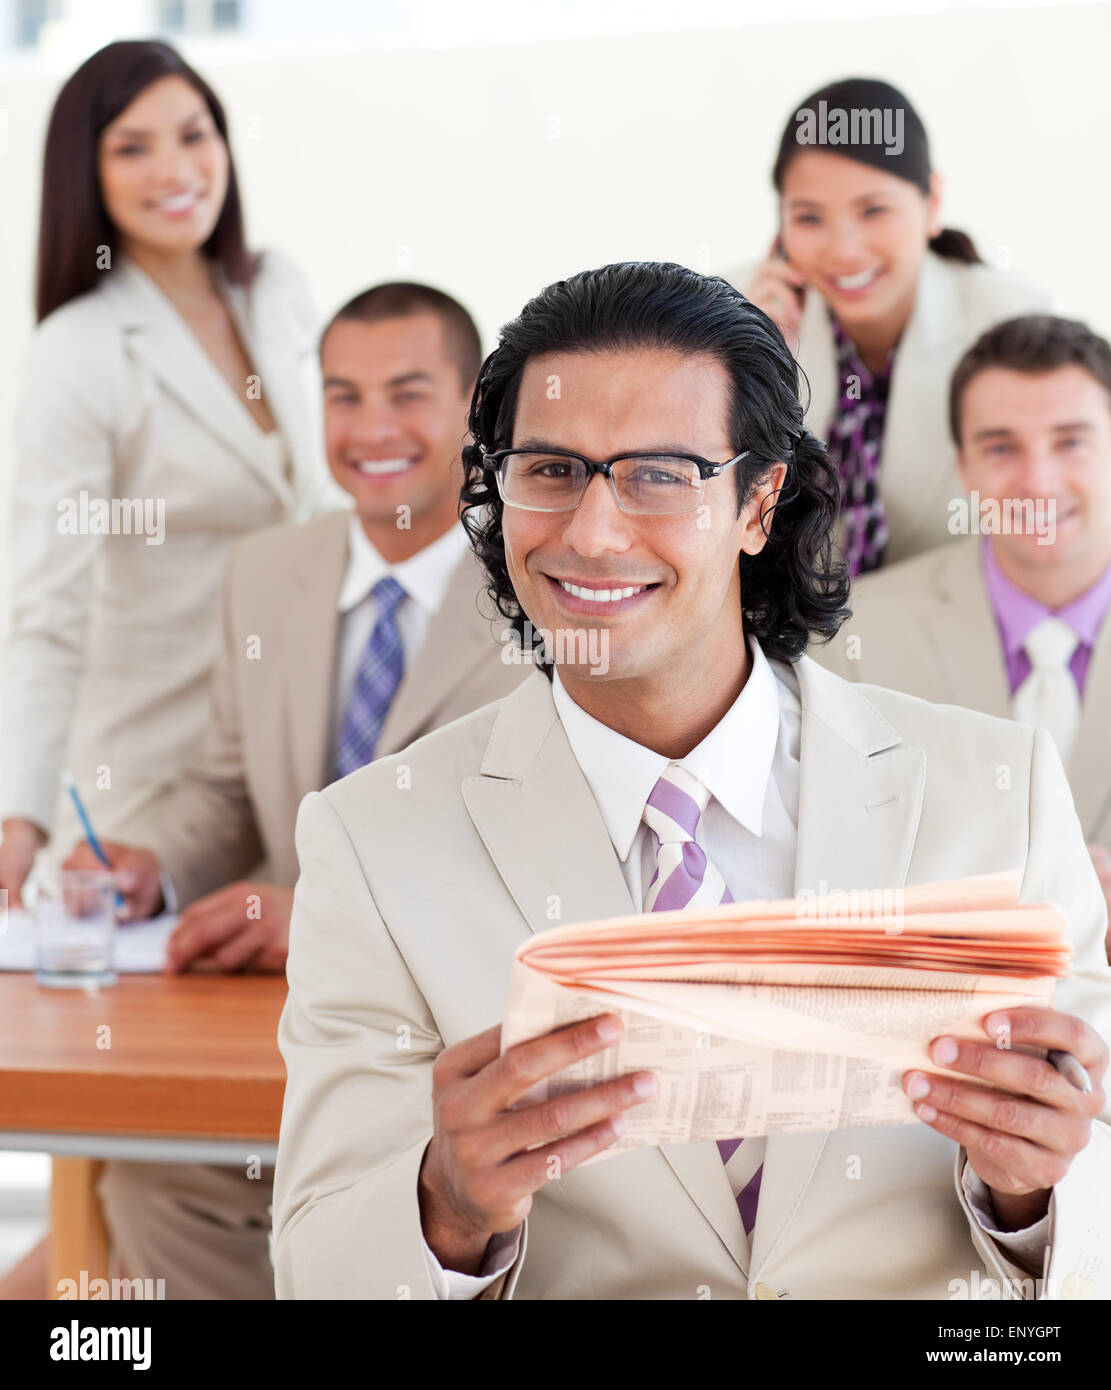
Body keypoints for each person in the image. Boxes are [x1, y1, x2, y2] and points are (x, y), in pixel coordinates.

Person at [271, 263, 1111, 1300]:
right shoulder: (371, 840)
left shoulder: (998, 792)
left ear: (759, 502)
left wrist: (1032, 1195)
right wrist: (446, 1206)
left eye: (660, 474)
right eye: (549, 470)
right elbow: (315, 1265)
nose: (591, 532)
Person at [38, 284, 529, 1301]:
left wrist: (321, 914)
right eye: (342, 397)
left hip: (452, 1030)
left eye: (406, 393)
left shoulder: (540, 582)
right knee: (157, 1185)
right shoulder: (269, 572)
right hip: (273, 1019)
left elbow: (535, 846)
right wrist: (154, 860)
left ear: (478, 404)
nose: (372, 429)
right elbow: (225, 788)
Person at [0, 39, 327, 909]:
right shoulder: (82, 349)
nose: (176, 168)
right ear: (87, 174)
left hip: (288, 753)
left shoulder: (277, 291)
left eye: (193, 134)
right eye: (132, 147)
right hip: (151, 773)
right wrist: (19, 815)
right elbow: (46, 611)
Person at [812, 314, 1111, 962]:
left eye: (1070, 442)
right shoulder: (854, 637)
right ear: (963, 468)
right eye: (1001, 447)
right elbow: (818, 865)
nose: (1037, 480)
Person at [725, 76, 1049, 575]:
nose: (844, 250)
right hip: (783, 634)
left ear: (932, 203)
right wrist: (750, 364)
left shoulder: (1011, 323)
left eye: (874, 210)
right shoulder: (733, 315)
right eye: (809, 218)